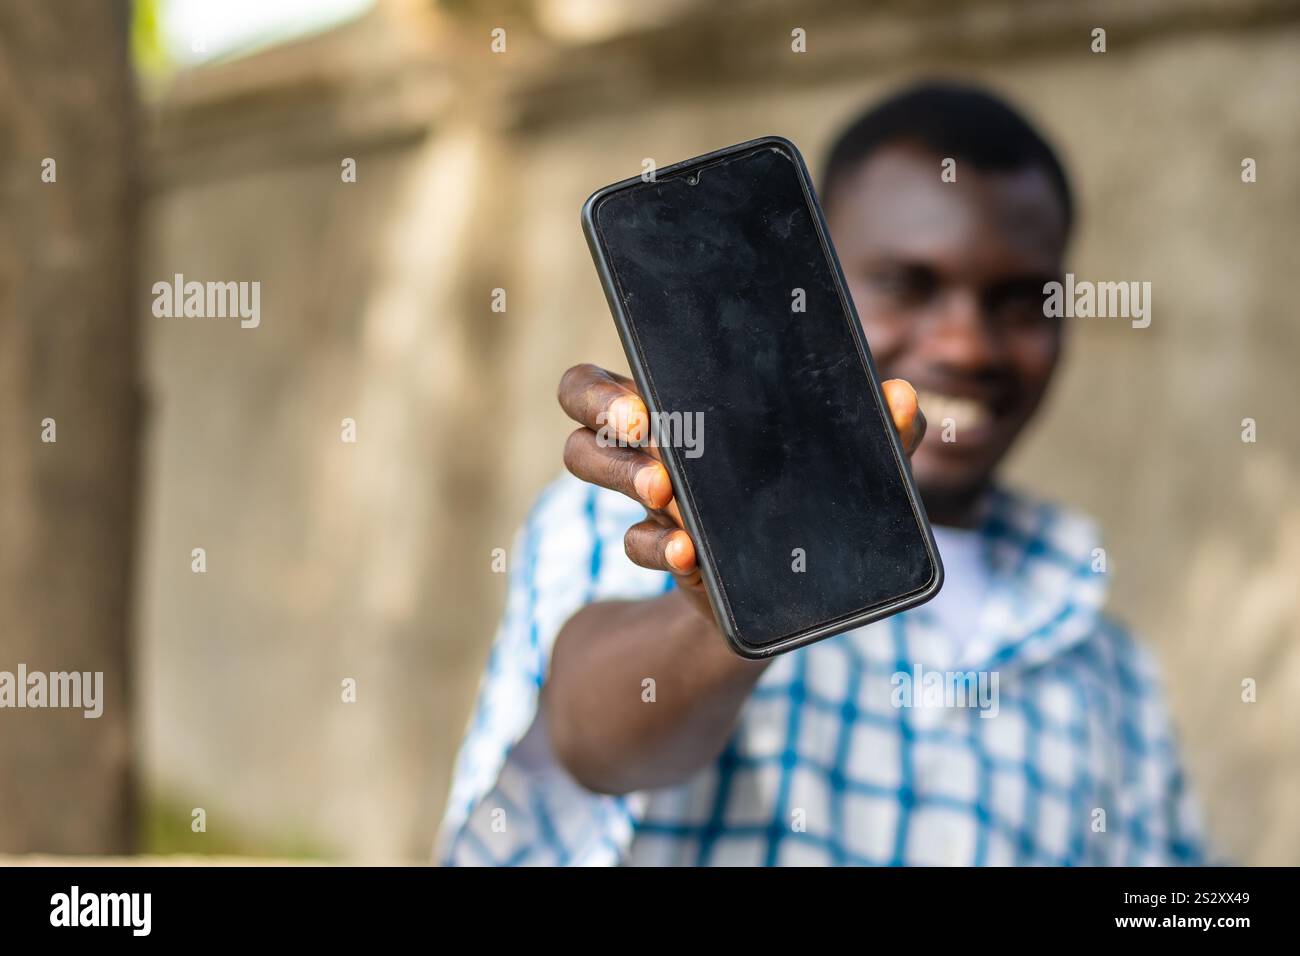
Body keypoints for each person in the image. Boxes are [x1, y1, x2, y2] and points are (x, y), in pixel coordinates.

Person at [437, 81, 1205, 866]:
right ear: (815, 284)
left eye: (1016, 300)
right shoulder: (649, 506)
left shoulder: (1110, 664)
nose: (967, 345)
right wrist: (731, 610)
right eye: (908, 285)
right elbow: (590, 741)